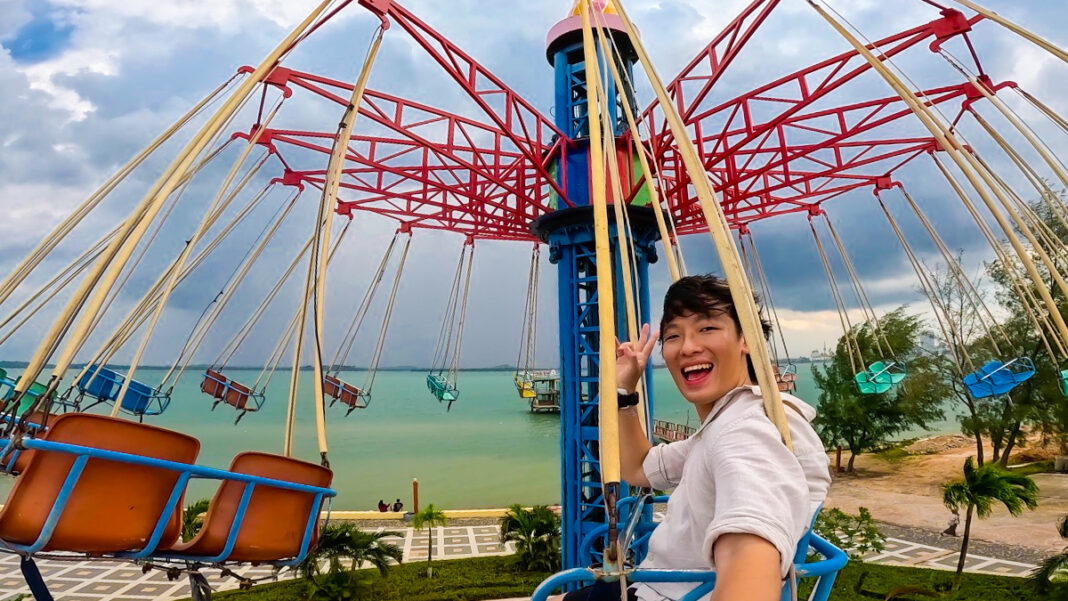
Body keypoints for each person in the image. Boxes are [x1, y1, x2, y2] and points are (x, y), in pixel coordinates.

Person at [551, 274, 831, 601]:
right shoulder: (730, 422)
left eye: (707, 328)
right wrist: (624, 391)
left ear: (747, 340)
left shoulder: (745, 430)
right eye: (673, 335)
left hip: (665, 593)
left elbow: (749, 549)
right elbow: (639, 468)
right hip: (658, 587)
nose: (688, 347)